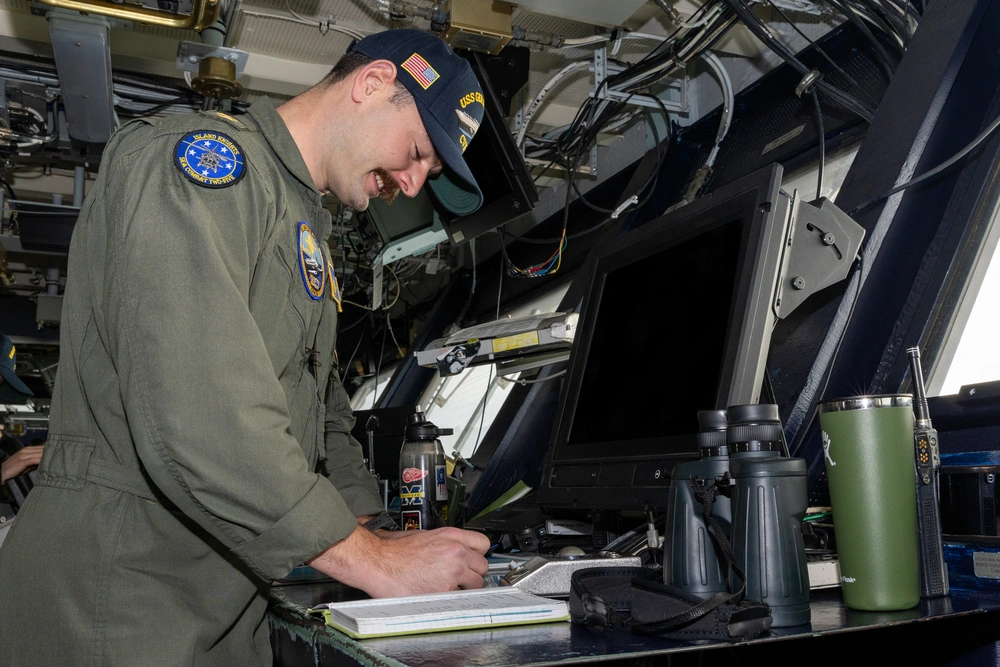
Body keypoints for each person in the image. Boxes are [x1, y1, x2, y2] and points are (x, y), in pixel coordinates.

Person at [0, 30, 491, 666]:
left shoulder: (299, 224)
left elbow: (323, 420)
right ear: (371, 86)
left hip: (222, 599)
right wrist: (372, 562)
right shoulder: (203, 164)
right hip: (120, 597)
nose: (415, 181)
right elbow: (202, 411)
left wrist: (377, 531)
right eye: (420, 151)